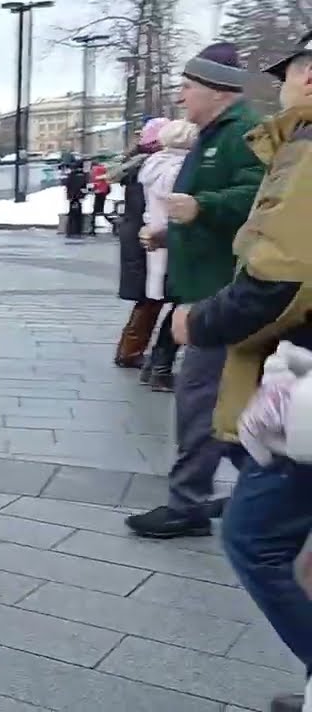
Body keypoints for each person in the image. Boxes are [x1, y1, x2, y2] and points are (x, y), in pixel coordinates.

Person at [171, 30, 312, 712]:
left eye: (290, 70)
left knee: (255, 537)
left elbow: (280, 280)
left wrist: (198, 322)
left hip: (298, 367)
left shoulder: (303, 147)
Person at [125, 42, 265, 540]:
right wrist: (171, 230)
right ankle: (270, 490)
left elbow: (260, 194)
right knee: (227, 401)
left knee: (199, 398)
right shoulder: (210, 135)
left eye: (187, 88)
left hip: (223, 291)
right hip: (205, 285)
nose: (181, 98)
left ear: (214, 90)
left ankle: (189, 503)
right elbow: (194, 204)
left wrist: (200, 208)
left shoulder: (243, 133)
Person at [136, 119, 199, 390]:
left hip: (159, 240)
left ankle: (155, 365)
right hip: (175, 241)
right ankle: (161, 366)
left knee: (177, 302)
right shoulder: (178, 168)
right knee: (182, 303)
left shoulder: (156, 164)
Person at [112, 118, 169, 370]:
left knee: (150, 296)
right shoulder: (151, 166)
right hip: (144, 235)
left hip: (136, 232)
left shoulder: (138, 164)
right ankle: (130, 351)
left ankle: (131, 349)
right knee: (150, 296)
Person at [89, 159, 110, 235]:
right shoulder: (103, 169)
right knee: (100, 209)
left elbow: (94, 180)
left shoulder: (94, 170)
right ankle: (95, 225)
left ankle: (92, 228)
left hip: (98, 191)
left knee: (96, 210)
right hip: (103, 190)